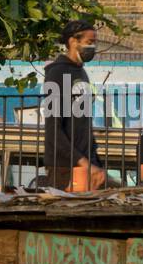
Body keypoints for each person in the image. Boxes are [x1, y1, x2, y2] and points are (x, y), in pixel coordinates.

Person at [42, 20, 106, 192]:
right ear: (73, 41)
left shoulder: (81, 72)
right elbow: (53, 129)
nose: (93, 47)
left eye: (94, 42)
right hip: (64, 166)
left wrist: (94, 161)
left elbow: (84, 124)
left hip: (85, 162)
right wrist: (84, 163)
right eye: (89, 42)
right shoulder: (57, 72)